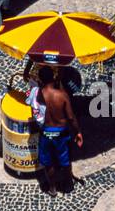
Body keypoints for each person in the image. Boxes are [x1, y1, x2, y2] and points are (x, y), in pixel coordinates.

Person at [35, 66, 81, 194]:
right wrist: (77, 132)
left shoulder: (39, 94)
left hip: (46, 132)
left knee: (48, 163)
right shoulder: (62, 95)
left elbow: (36, 113)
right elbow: (71, 117)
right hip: (61, 132)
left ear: (40, 79)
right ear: (53, 77)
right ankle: (67, 185)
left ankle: (53, 188)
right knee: (65, 160)